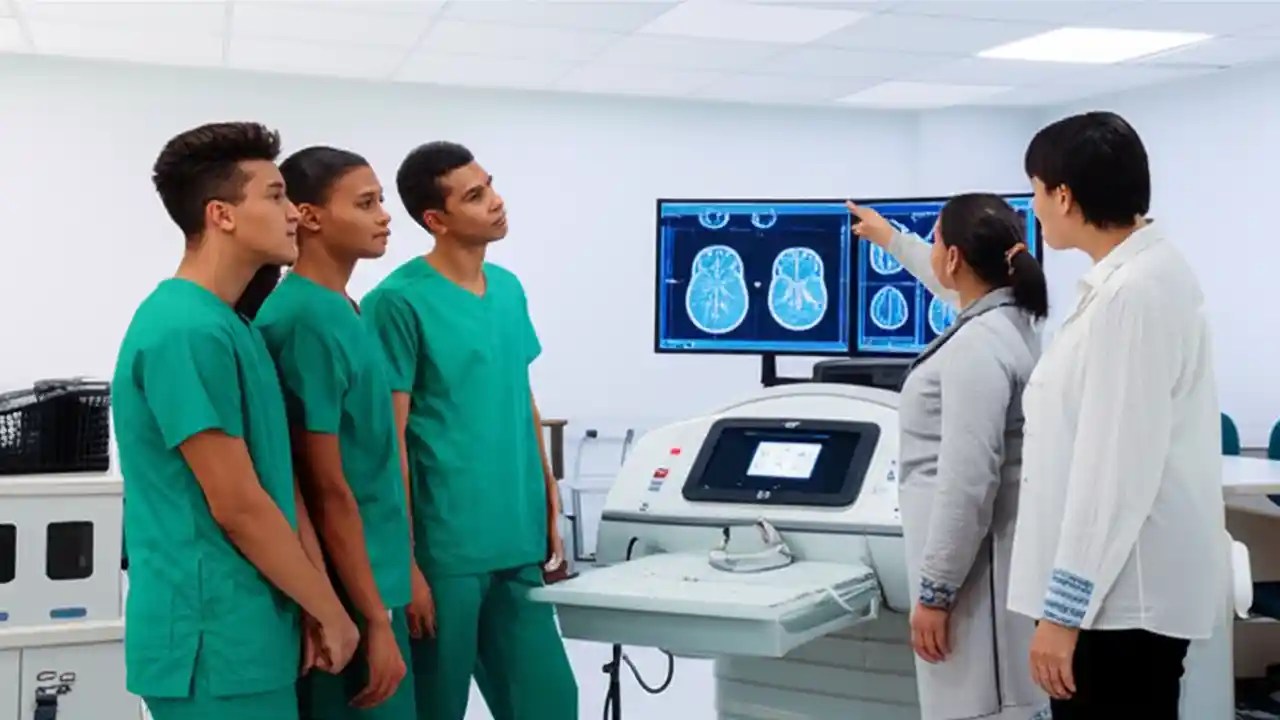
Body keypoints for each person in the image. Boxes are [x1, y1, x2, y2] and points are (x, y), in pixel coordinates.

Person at [111, 122, 359, 720]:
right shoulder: (183, 331)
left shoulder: (234, 327)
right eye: (275, 197)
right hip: (210, 641)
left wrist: (304, 600)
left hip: (252, 629)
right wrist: (329, 609)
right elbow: (237, 504)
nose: (293, 213)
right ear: (221, 214)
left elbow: (278, 484)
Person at [1008, 111, 1226, 718]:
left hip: (1121, 607)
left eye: (1035, 188)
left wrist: (1063, 613)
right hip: (1116, 599)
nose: (1034, 204)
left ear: (1064, 194)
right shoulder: (1132, 281)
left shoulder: (1133, 295)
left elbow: (1112, 475)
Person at [362, 140, 577, 720]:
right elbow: (389, 443)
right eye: (475, 196)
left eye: (491, 186)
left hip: (516, 535)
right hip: (444, 551)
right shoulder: (397, 303)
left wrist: (547, 489)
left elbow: (519, 394)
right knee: (437, 707)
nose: (496, 203)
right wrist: (404, 563)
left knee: (551, 703)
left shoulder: (507, 289)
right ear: (436, 220)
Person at [849, 195, 1049, 720]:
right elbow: (951, 286)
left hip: (972, 587)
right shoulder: (1013, 323)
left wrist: (935, 594)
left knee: (978, 709)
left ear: (956, 257)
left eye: (935, 241)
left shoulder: (976, 349)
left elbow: (967, 483)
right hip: (988, 572)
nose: (933, 252)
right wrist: (892, 240)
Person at [250, 146, 415, 719]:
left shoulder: (346, 308)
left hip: (376, 575)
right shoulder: (302, 321)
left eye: (381, 202)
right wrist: (369, 618)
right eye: (366, 203)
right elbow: (326, 488)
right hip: (346, 590)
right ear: (310, 216)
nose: (385, 216)